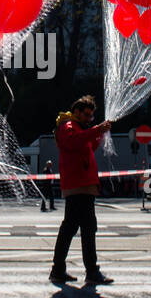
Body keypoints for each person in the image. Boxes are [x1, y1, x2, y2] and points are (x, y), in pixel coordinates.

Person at [48, 95, 114, 285]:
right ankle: (89, 271)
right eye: (86, 115)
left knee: (74, 227)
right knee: (84, 228)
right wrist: (96, 130)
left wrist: (99, 133)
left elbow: (87, 146)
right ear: (76, 112)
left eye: (91, 117)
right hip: (79, 185)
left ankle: (60, 269)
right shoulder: (68, 127)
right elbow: (75, 142)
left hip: (81, 184)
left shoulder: (74, 127)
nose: (89, 119)